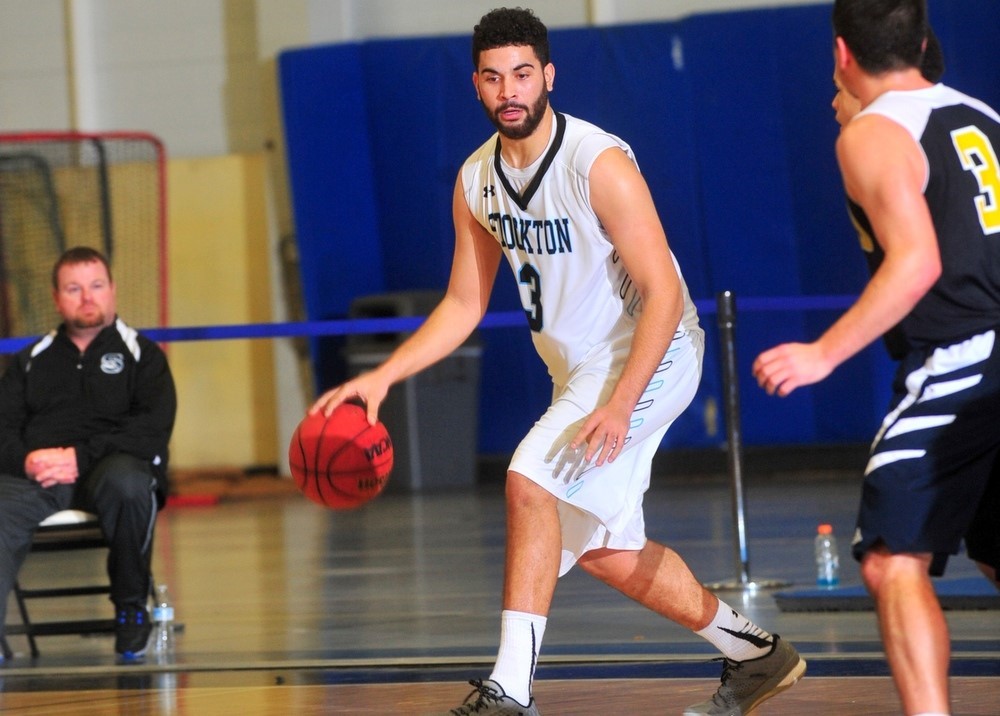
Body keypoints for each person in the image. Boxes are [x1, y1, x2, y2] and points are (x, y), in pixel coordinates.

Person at [313, 8, 804, 715]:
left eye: (521, 74)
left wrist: (622, 401)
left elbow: (664, 293)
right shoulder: (475, 180)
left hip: (654, 352)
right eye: (493, 78)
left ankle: (510, 692)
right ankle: (757, 654)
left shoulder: (597, 163)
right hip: (579, 375)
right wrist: (382, 376)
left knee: (527, 481)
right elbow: (462, 304)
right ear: (476, 85)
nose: (508, 90)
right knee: (606, 551)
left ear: (548, 75)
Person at [753, 2, 1000, 714]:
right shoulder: (981, 115)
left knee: (893, 560)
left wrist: (821, 353)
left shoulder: (873, 132)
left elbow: (917, 262)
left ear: (842, 53)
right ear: (922, 43)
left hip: (964, 355)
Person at [0, 246, 177, 661]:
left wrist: (80, 457)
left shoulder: (144, 356)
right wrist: (25, 460)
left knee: (130, 485)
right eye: (73, 289)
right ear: (56, 298)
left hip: (110, 469)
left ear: (112, 289)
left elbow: (150, 431)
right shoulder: (29, 362)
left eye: (96, 286)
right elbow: (3, 428)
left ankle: (131, 610)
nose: (87, 298)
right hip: (40, 475)